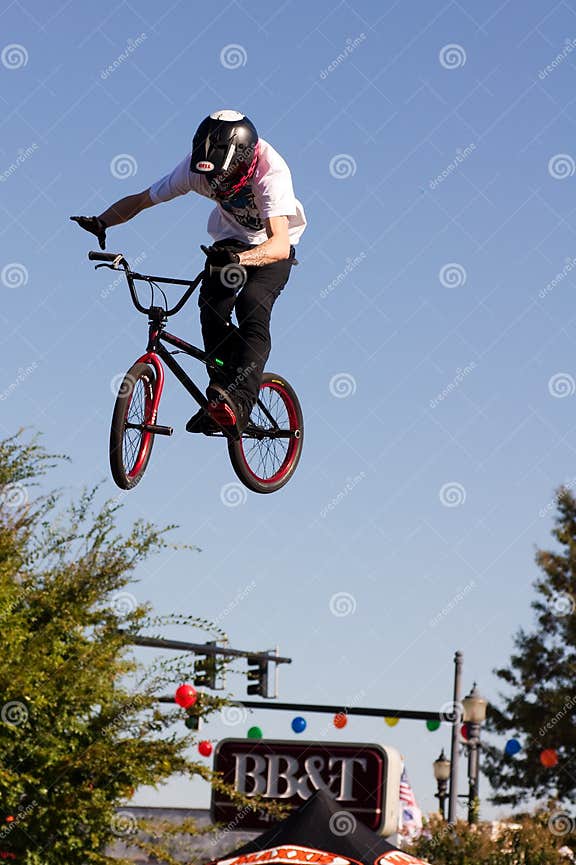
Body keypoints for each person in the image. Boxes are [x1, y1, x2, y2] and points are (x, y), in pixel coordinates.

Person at [71, 109, 306, 436]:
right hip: (230, 241)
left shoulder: (270, 173)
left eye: (220, 180)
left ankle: (240, 401)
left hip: (272, 246)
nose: (213, 186)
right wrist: (103, 220)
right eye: (209, 180)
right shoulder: (196, 171)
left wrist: (241, 261)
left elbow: (279, 245)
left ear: (242, 162)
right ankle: (219, 396)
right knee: (212, 308)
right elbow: (142, 200)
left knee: (251, 304)